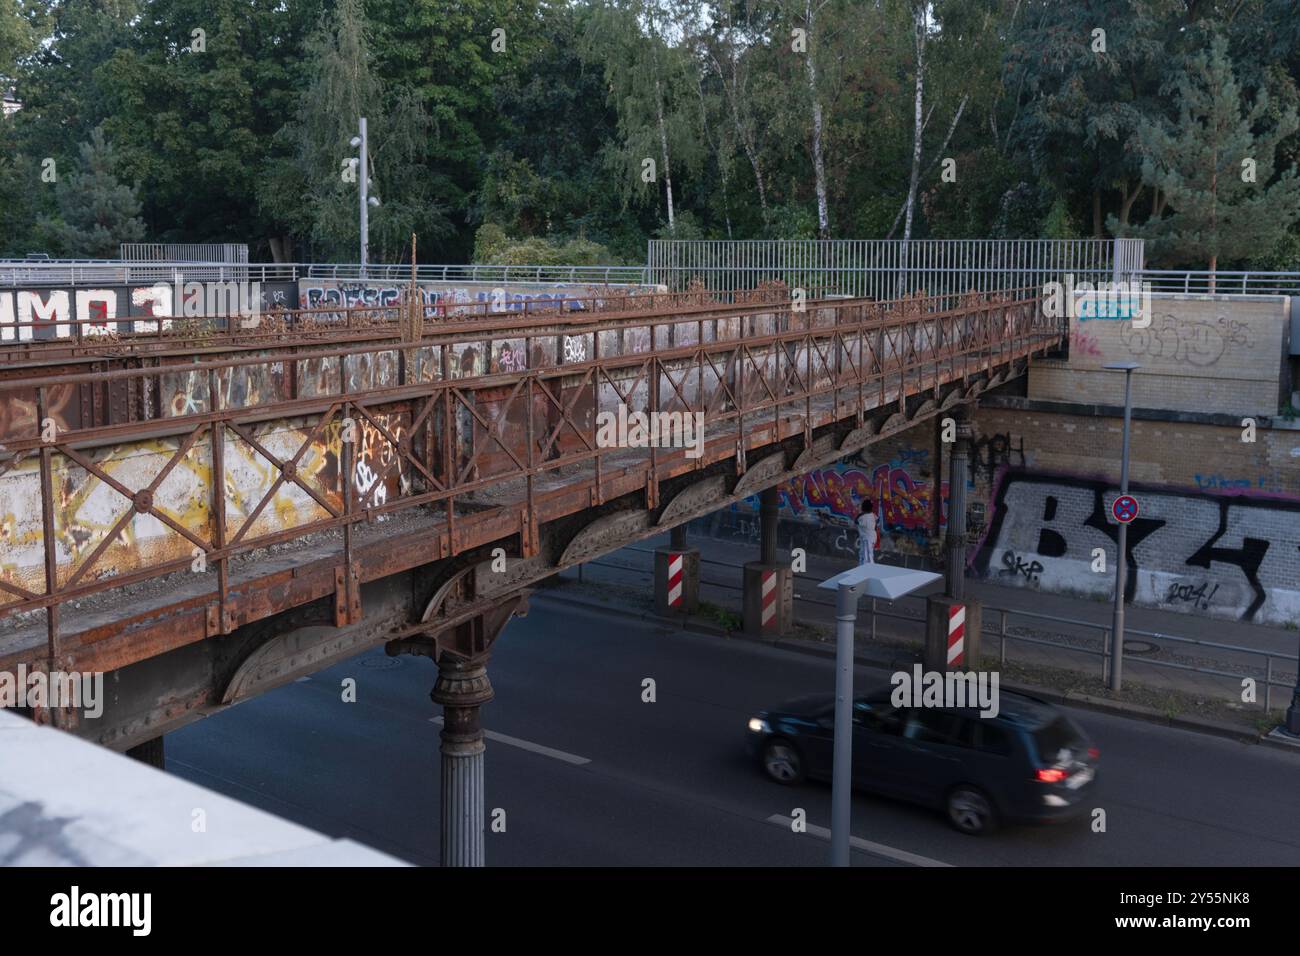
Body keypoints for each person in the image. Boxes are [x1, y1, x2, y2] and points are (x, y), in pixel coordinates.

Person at [856, 499, 877, 566]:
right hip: (870, 537)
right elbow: (878, 520)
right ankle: (862, 569)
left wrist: (860, 513)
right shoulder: (872, 515)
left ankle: (868, 572)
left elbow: (856, 521)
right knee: (865, 554)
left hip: (867, 539)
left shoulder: (863, 517)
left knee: (867, 557)